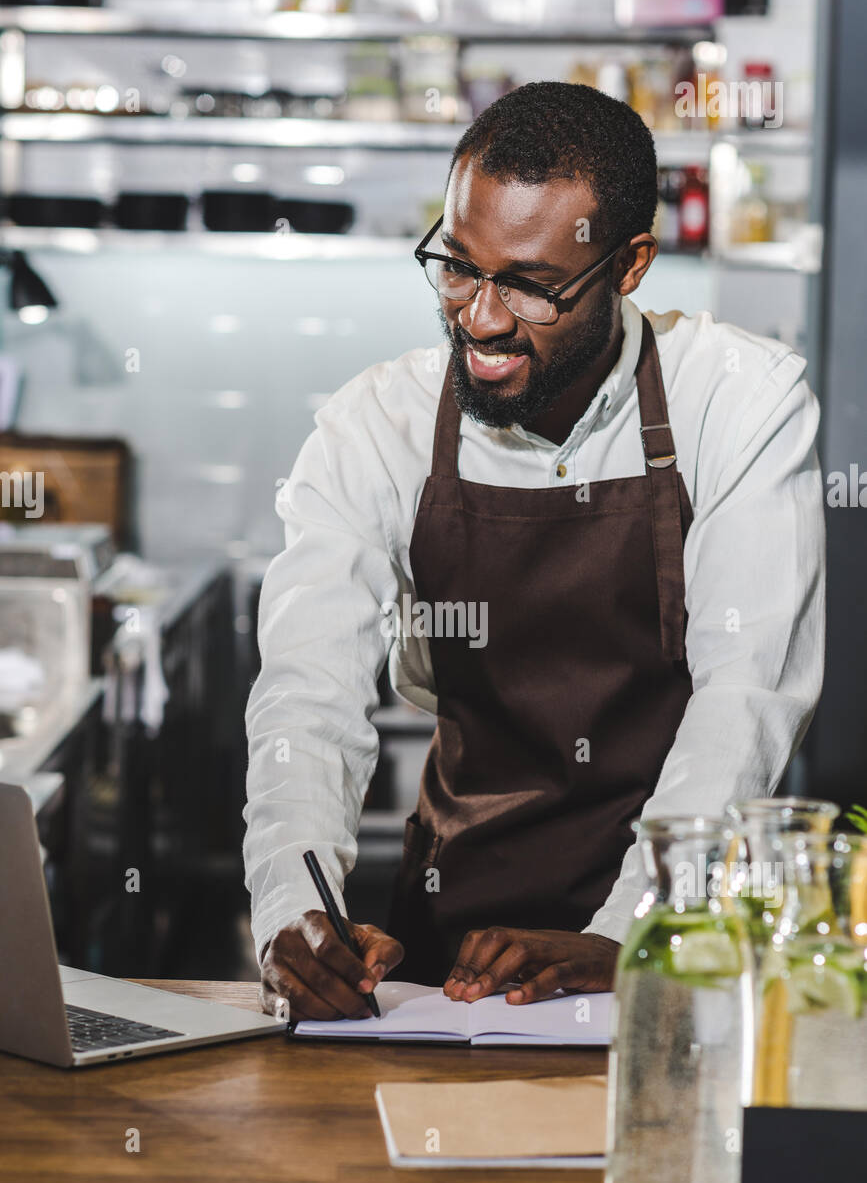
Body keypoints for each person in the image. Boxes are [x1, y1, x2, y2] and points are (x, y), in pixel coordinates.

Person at [245, 81, 824, 1021]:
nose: (479, 317)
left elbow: (746, 698)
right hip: (447, 938)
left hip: (676, 943)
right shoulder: (373, 425)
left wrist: (629, 931)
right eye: (457, 267)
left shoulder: (739, 402)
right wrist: (295, 908)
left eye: (528, 283)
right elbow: (305, 697)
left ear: (629, 264)